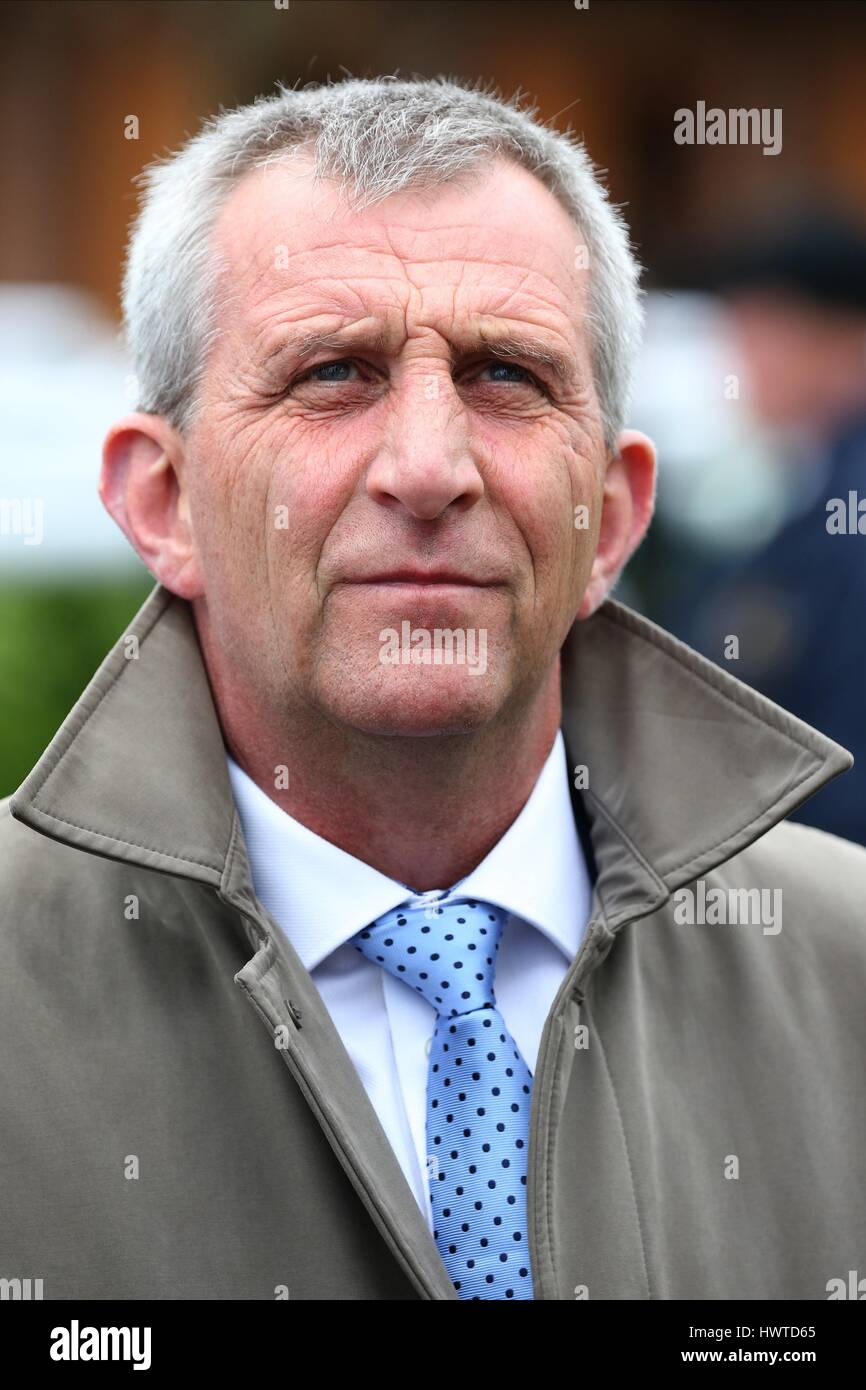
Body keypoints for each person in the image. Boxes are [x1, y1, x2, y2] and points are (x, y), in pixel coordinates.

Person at [1, 77, 864, 1302]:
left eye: (504, 375)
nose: (426, 467)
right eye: (332, 373)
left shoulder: (844, 976)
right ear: (162, 501)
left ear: (610, 518)